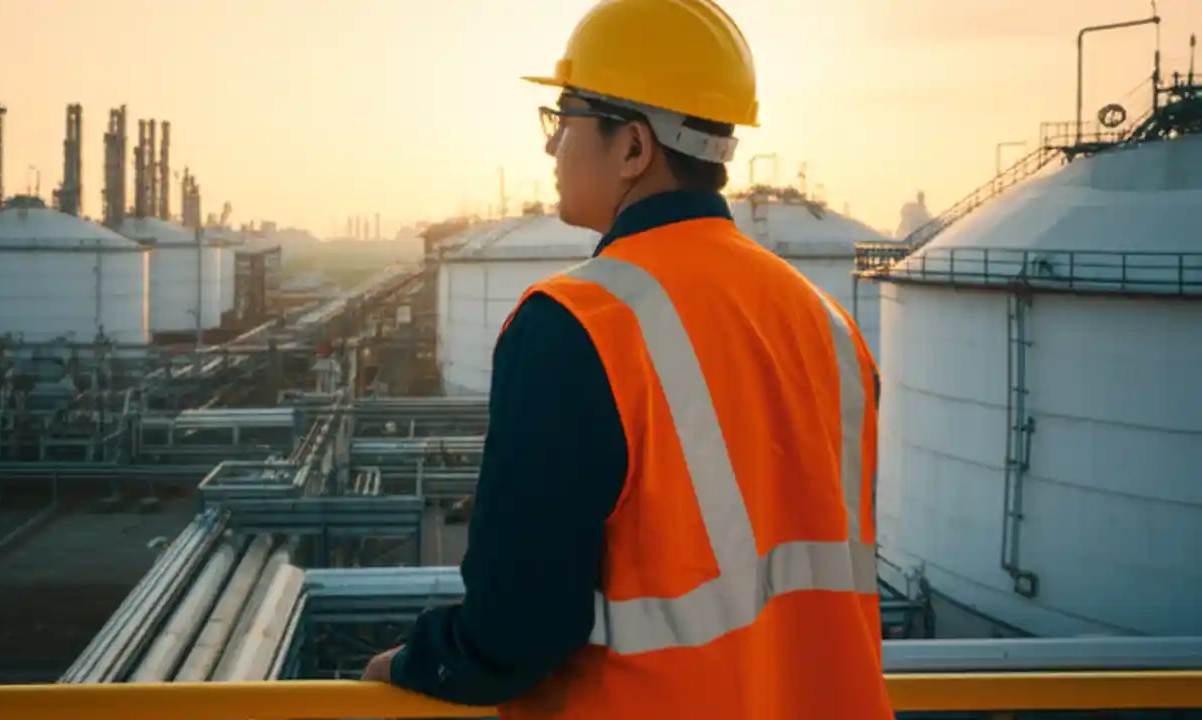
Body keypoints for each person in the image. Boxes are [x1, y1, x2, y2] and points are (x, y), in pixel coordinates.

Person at [363, 0, 894, 717]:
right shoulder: (827, 324)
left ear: (634, 148)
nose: (552, 148)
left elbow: (515, 627)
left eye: (565, 119)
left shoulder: (576, 325)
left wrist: (416, 663)